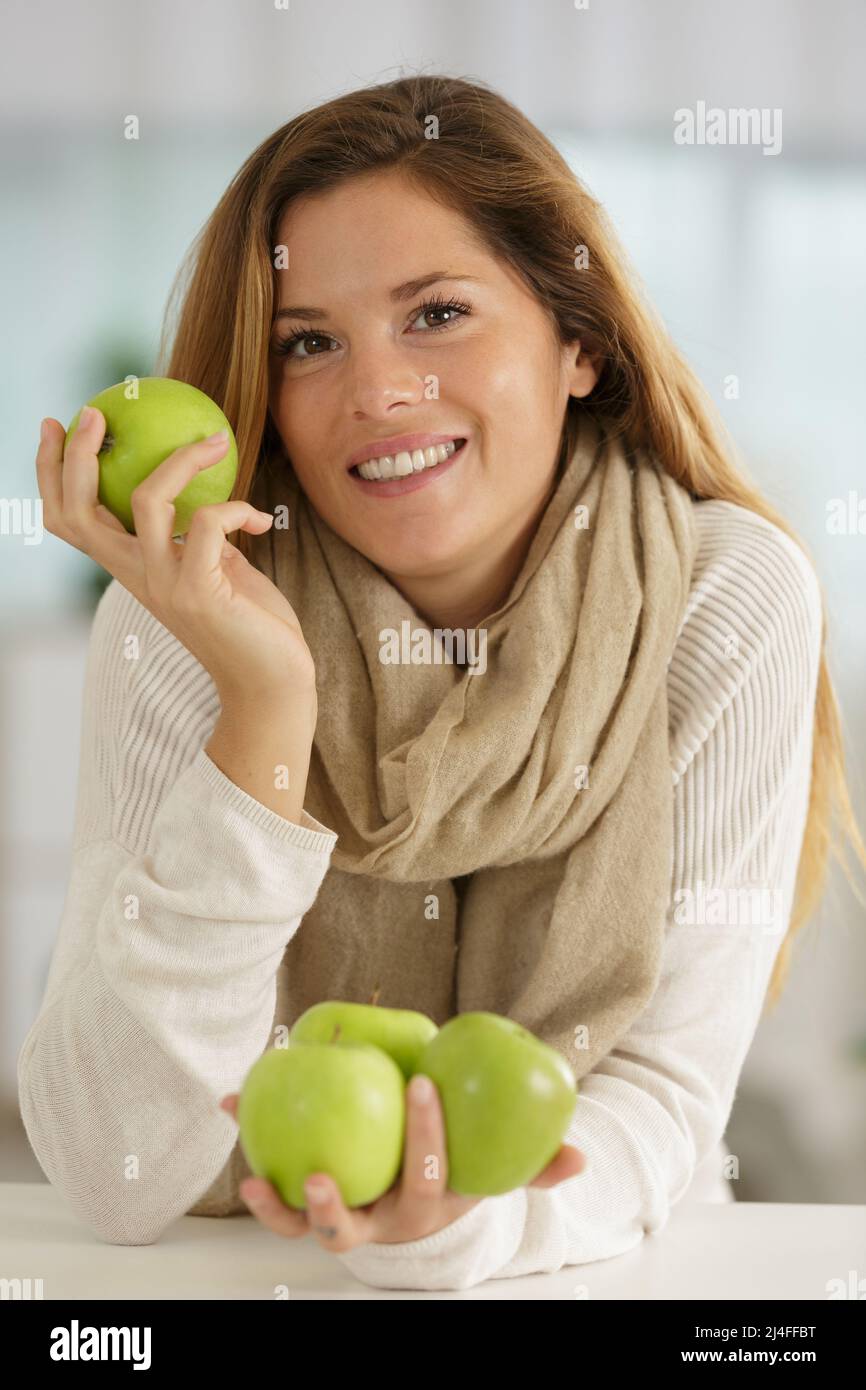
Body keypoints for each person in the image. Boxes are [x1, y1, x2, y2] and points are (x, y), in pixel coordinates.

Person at [21, 73, 864, 1293]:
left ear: (578, 342)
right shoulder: (184, 623)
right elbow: (119, 1164)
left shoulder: (723, 597)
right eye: (309, 341)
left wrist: (459, 1227)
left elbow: (661, 1101)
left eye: (436, 314)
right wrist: (265, 714)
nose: (376, 392)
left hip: (588, 1272)